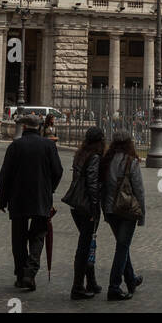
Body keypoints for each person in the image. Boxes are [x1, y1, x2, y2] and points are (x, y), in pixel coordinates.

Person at [0, 113, 63, 291]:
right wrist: (50, 190)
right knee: (38, 235)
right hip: (41, 197)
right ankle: (30, 271)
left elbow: (5, 175)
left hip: (17, 198)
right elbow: (58, 171)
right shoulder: (49, 145)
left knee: (18, 238)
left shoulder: (15, 146)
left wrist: (2, 200)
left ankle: (20, 274)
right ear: (39, 127)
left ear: (24, 127)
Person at [101, 129, 145, 301]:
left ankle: (131, 280)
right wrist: (141, 214)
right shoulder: (131, 162)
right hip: (126, 210)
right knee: (122, 247)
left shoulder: (106, 160)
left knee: (122, 245)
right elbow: (139, 190)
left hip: (111, 210)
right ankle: (114, 286)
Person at [64, 126, 105, 299]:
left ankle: (91, 282)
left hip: (76, 205)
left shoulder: (81, 154)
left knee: (88, 243)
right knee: (84, 247)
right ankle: (77, 286)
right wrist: (95, 208)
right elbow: (92, 183)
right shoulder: (95, 157)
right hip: (87, 206)